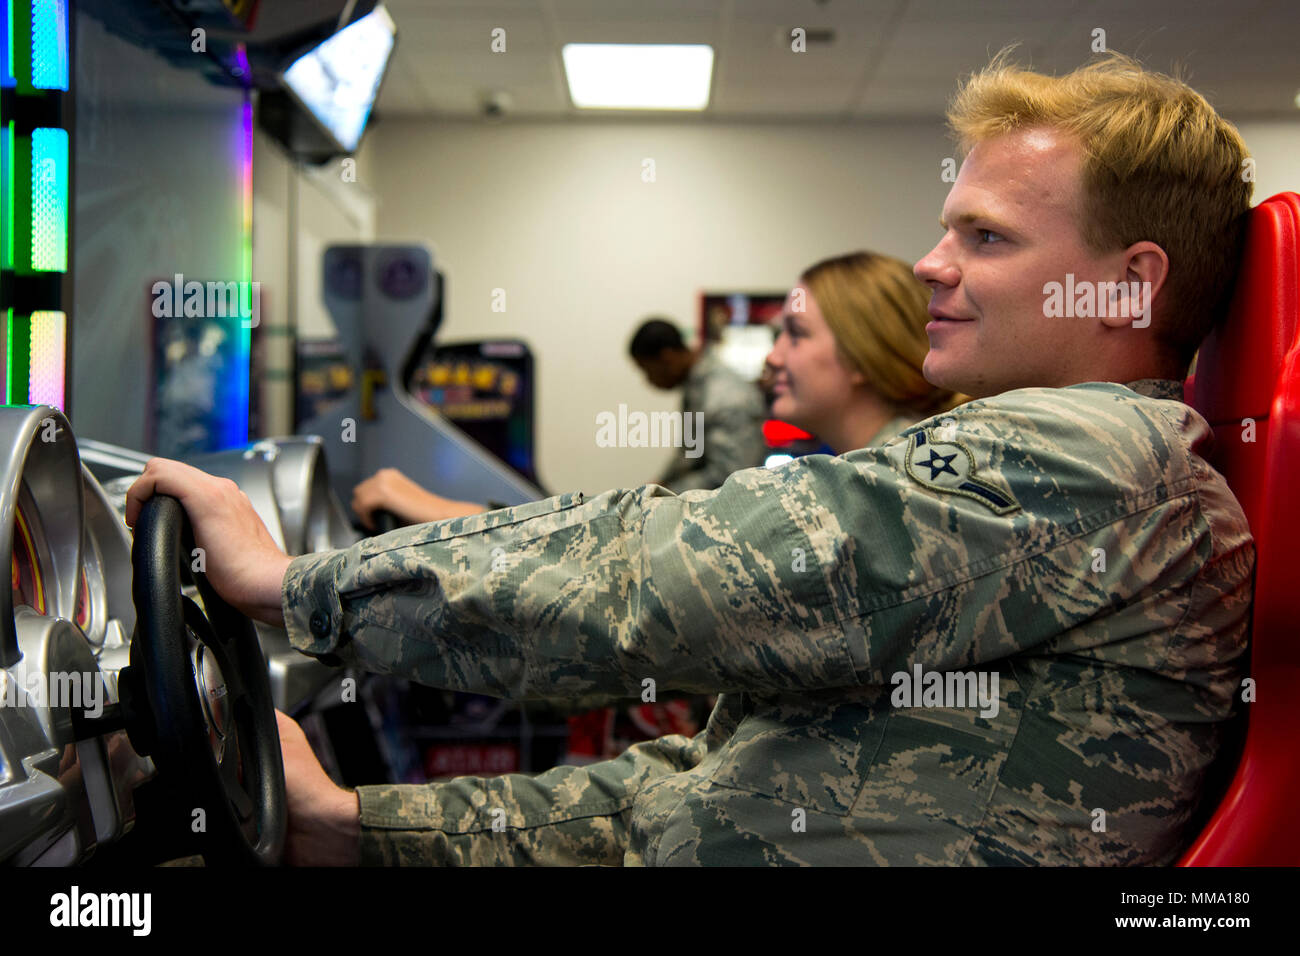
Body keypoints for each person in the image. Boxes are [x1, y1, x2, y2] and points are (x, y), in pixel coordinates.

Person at [127, 51, 1255, 866]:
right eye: (947, 226)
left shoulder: (1093, 463)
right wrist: (356, 826)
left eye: (985, 237)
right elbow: (694, 794)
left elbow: (656, 585)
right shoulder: (1030, 460)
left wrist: (292, 585)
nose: (928, 263)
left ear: (1127, 282)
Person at [627, 317, 768, 492]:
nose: (648, 380)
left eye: (647, 370)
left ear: (667, 358)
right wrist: (658, 485)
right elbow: (691, 453)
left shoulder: (725, 396)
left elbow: (732, 478)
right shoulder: (695, 389)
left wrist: (665, 495)